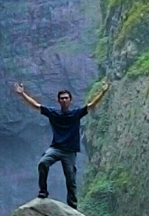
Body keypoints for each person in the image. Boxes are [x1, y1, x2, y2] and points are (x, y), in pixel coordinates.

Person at [12, 80, 111, 208]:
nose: (64, 100)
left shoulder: (76, 114)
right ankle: (43, 191)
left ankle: (72, 206)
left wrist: (103, 91)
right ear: (58, 101)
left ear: (70, 100)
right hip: (56, 148)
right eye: (62, 98)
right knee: (43, 163)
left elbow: (91, 105)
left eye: (66, 98)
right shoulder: (54, 113)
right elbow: (36, 106)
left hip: (70, 151)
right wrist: (22, 94)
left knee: (71, 179)